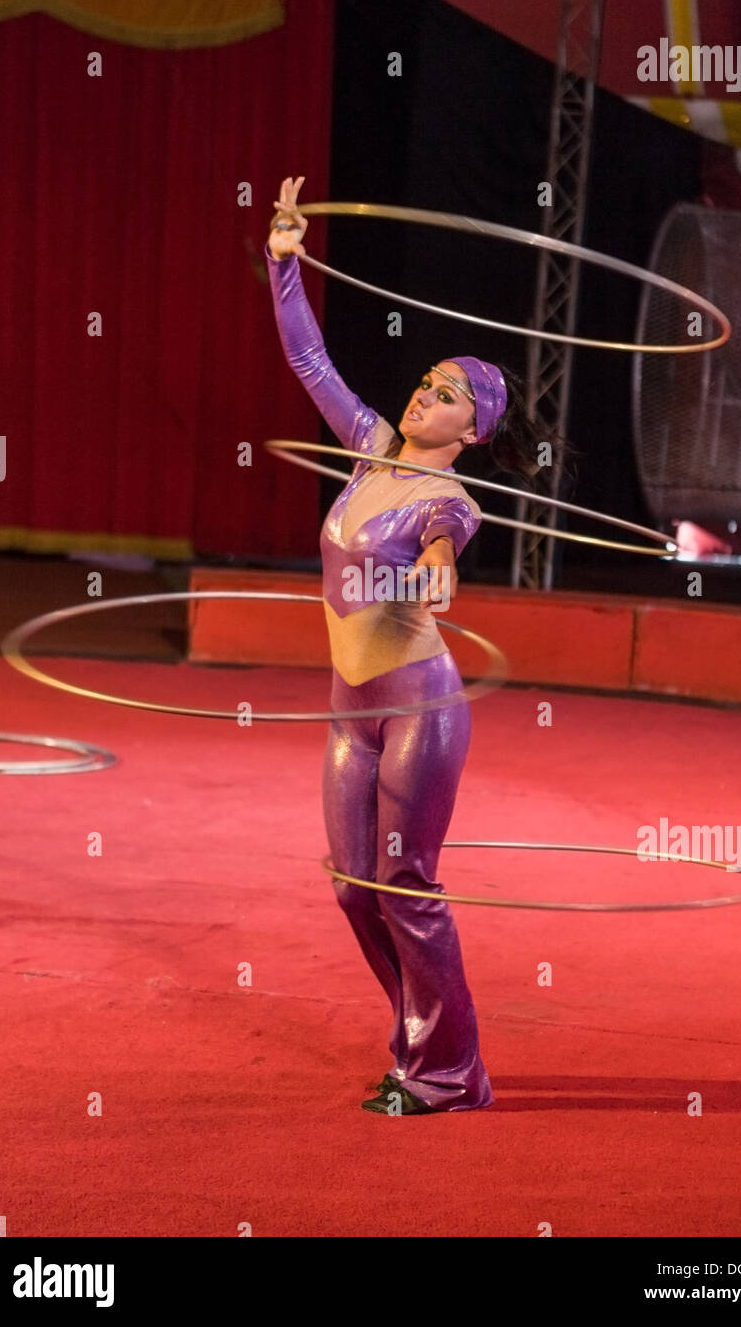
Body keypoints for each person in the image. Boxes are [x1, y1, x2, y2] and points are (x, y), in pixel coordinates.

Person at [265, 176, 568, 1114]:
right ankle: (421, 1044)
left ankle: (447, 1073)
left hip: (416, 708)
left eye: (442, 395)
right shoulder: (365, 449)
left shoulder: (452, 500)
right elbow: (313, 365)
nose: (421, 393)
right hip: (348, 715)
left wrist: (433, 575)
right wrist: (283, 263)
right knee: (356, 891)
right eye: (424, 380)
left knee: (405, 882)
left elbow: (441, 559)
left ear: (470, 430)